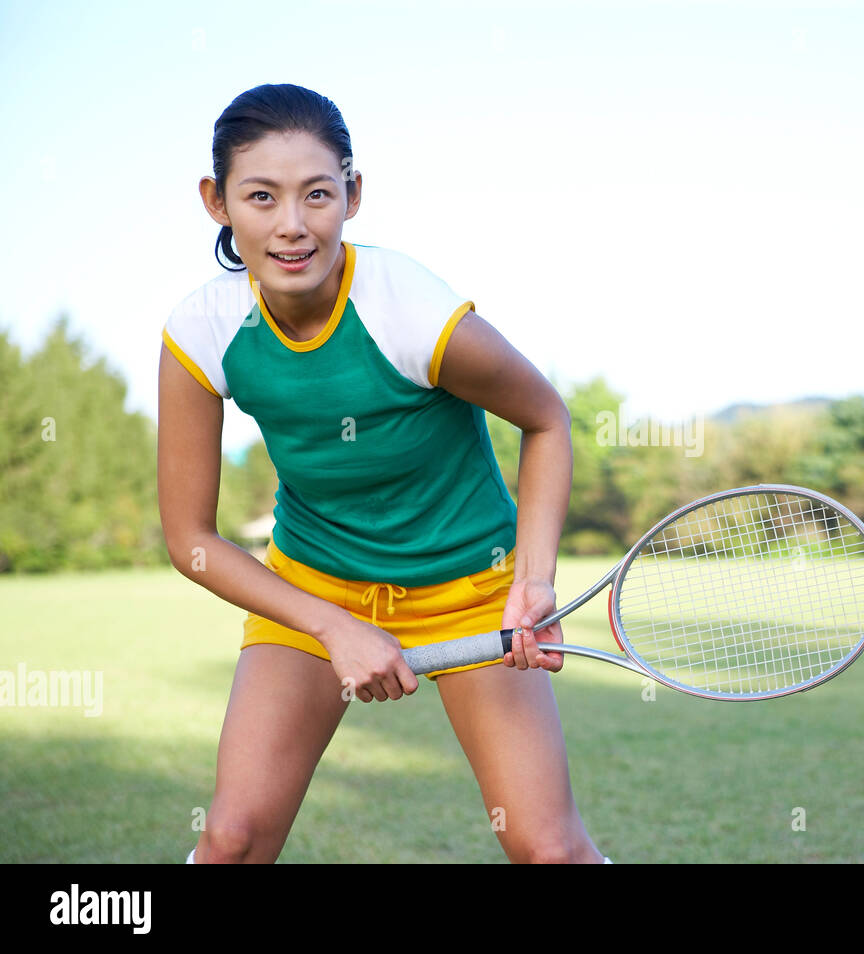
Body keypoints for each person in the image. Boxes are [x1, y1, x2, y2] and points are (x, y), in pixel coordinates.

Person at [157, 83, 609, 863]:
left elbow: (546, 419)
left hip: (469, 590)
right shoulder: (202, 331)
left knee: (547, 849)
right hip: (316, 588)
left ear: (353, 194)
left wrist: (531, 579)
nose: (292, 225)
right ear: (217, 201)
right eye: (261, 197)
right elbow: (189, 539)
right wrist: (333, 627)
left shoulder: (410, 310)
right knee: (230, 840)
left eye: (317, 194)